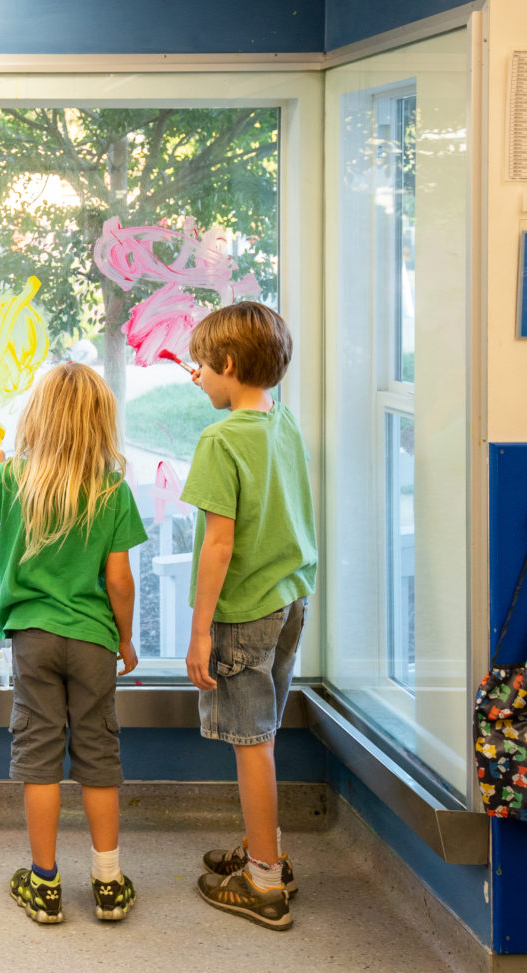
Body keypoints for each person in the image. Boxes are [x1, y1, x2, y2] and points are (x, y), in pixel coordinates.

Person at [0, 362, 148, 924]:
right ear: (100, 422)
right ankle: (108, 883)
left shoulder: (12, 476)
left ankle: (44, 884)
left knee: (39, 758)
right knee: (99, 756)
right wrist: (126, 639)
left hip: (33, 640)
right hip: (93, 641)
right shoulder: (112, 488)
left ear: (36, 417)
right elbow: (120, 580)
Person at [182, 301, 316, 931]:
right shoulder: (281, 420)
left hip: (243, 613)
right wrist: (216, 381)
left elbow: (218, 545)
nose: (197, 377)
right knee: (263, 734)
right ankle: (269, 851)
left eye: (203, 367)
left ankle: (263, 881)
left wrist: (199, 631)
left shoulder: (219, 441)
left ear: (229, 365)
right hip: (290, 599)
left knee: (250, 743)